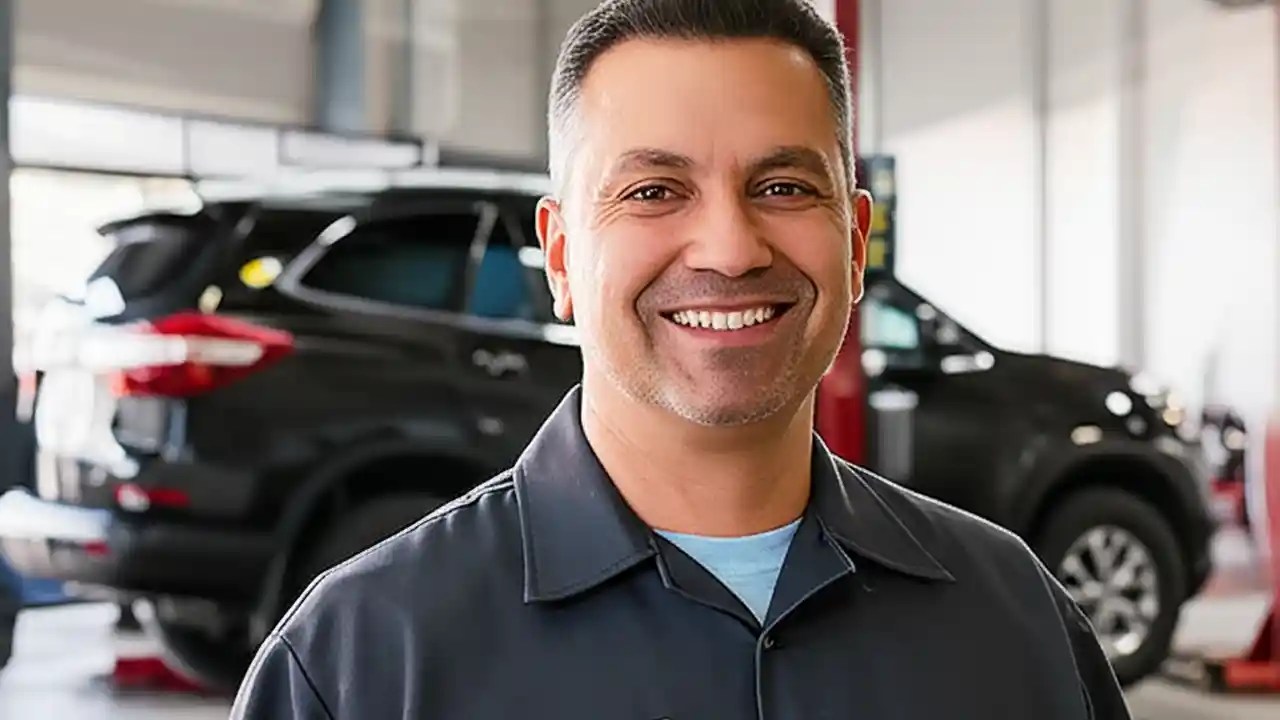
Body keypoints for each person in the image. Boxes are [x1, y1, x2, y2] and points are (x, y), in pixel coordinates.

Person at [232, 1, 1131, 717]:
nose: (730, 248)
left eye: (781, 187)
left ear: (854, 244)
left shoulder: (1019, 625)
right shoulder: (358, 667)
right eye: (655, 190)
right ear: (559, 258)